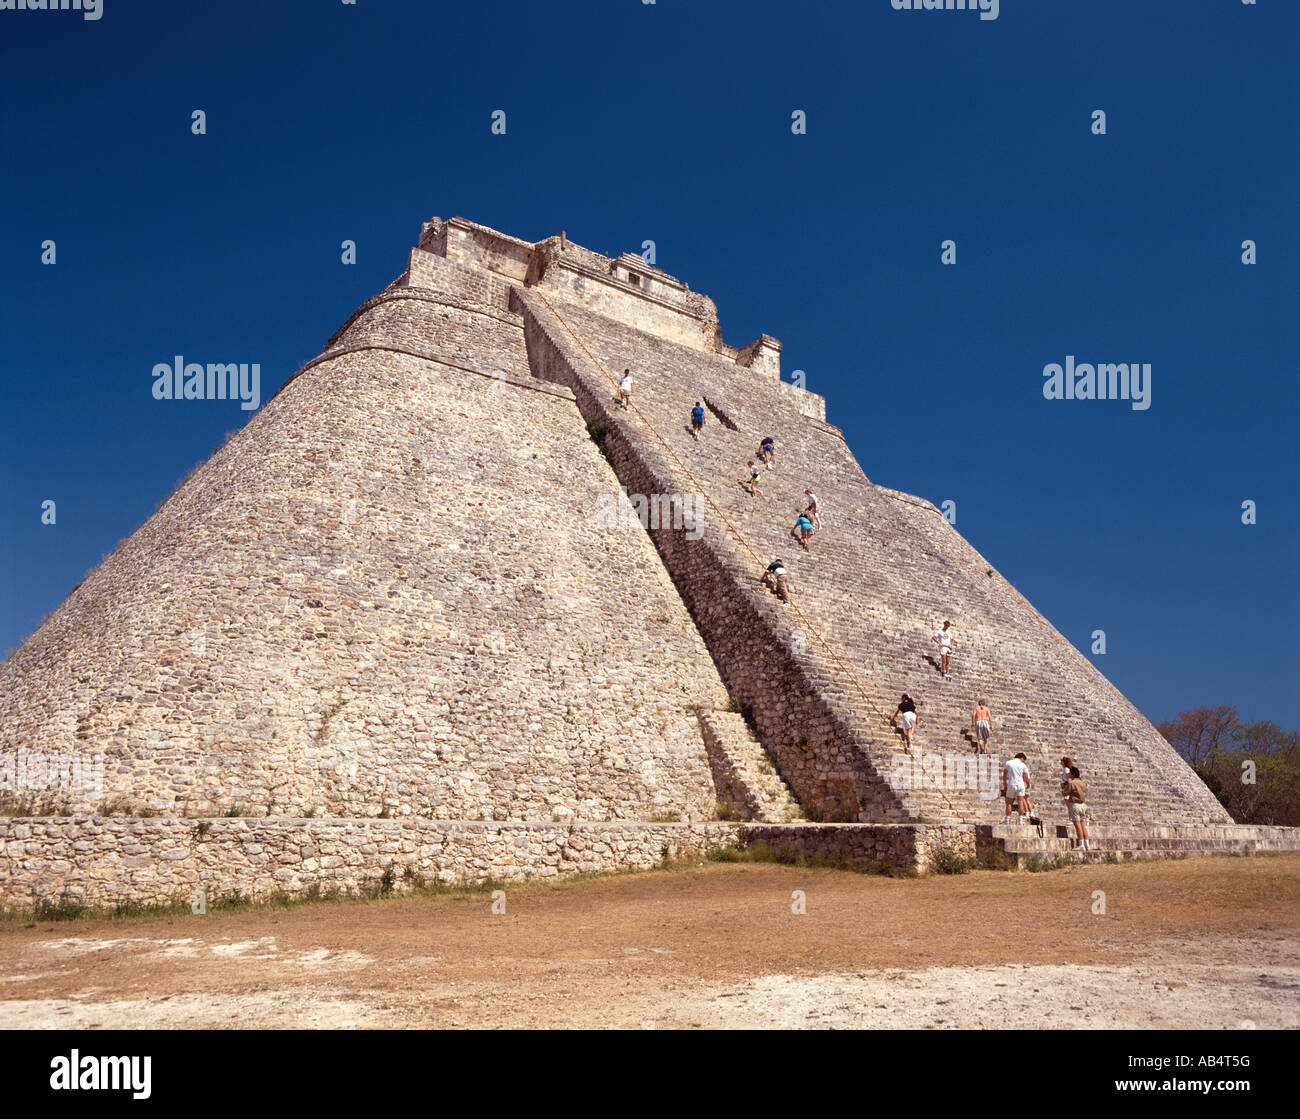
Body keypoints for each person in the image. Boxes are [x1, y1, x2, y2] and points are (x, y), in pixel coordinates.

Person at [1064, 765, 1090, 850]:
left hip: (1075, 804)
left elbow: (1065, 793)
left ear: (1072, 774)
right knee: (1083, 825)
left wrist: (1062, 789)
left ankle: (1081, 844)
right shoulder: (1082, 783)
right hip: (1082, 805)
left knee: (1077, 825)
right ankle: (1087, 844)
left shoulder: (1072, 783)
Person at [1003, 752, 1031, 823]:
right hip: (1020, 784)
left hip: (1011, 784)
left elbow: (1004, 775)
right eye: (1023, 760)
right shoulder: (1023, 765)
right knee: (1020, 802)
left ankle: (1007, 819)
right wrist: (1028, 785)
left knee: (1009, 802)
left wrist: (1005, 785)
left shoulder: (1008, 763)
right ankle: (1020, 820)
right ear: (1021, 758)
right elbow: (1026, 778)